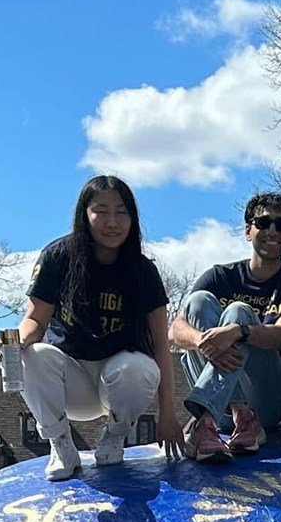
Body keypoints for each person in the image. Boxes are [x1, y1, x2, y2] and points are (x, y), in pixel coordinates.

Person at [20, 175, 183, 482]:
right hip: (71, 381)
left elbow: (161, 345)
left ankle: (114, 438)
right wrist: (16, 342)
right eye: (101, 211)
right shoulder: (58, 256)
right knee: (33, 354)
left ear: (132, 219)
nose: (112, 222)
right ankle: (61, 445)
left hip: (116, 384)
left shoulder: (144, 271)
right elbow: (35, 321)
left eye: (121, 212)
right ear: (84, 214)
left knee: (139, 366)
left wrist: (168, 414)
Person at [169, 191, 281, 462]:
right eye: (263, 223)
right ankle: (227, 420)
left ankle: (209, 419)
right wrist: (204, 339)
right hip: (221, 411)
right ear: (248, 230)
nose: (272, 230)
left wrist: (238, 331)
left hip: (271, 401)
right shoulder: (219, 276)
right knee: (199, 302)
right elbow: (176, 330)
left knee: (239, 312)